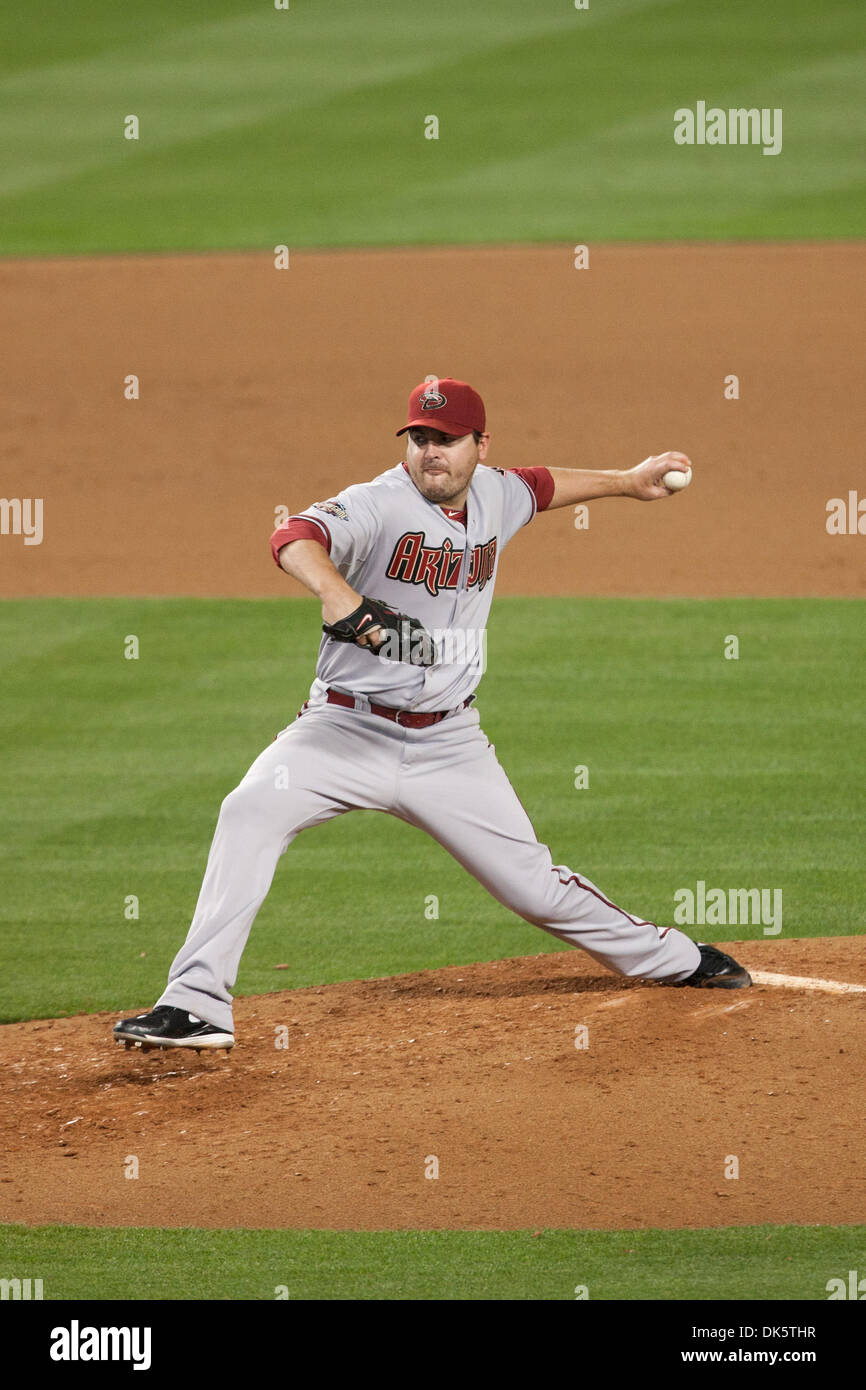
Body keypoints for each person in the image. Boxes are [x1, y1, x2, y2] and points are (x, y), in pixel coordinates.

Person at [114, 377, 750, 1053]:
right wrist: (342, 599)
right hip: (342, 731)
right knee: (249, 810)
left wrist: (628, 480)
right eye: (419, 438)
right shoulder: (377, 505)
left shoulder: (498, 493)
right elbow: (293, 537)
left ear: (480, 445)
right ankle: (196, 1003)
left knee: (533, 886)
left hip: (450, 746)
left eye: (446, 440)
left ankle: (676, 958)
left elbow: (539, 485)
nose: (431, 453)